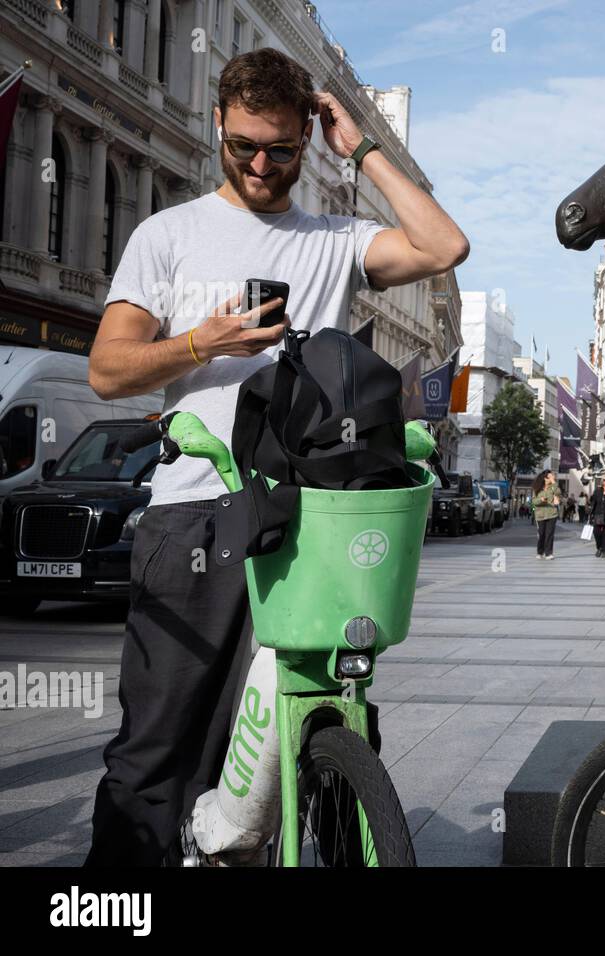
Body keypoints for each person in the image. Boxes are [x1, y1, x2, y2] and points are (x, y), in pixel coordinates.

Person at [83, 48, 469, 866]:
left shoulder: (335, 240)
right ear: (217, 126)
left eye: (281, 150)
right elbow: (108, 369)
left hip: (304, 523)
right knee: (157, 747)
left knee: (285, 742)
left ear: (306, 140)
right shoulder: (168, 236)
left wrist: (361, 148)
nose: (260, 166)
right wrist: (199, 341)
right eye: (244, 146)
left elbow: (443, 247)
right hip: (191, 513)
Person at [532, 469, 560, 560]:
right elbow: (533, 501)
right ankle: (540, 552)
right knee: (541, 534)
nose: (551, 479)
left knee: (549, 534)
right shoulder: (537, 489)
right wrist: (541, 500)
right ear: (544, 479)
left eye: (552, 477)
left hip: (552, 514)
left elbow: (558, 492)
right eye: (549, 477)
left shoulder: (553, 487)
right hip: (540, 515)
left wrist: (554, 482)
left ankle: (548, 553)